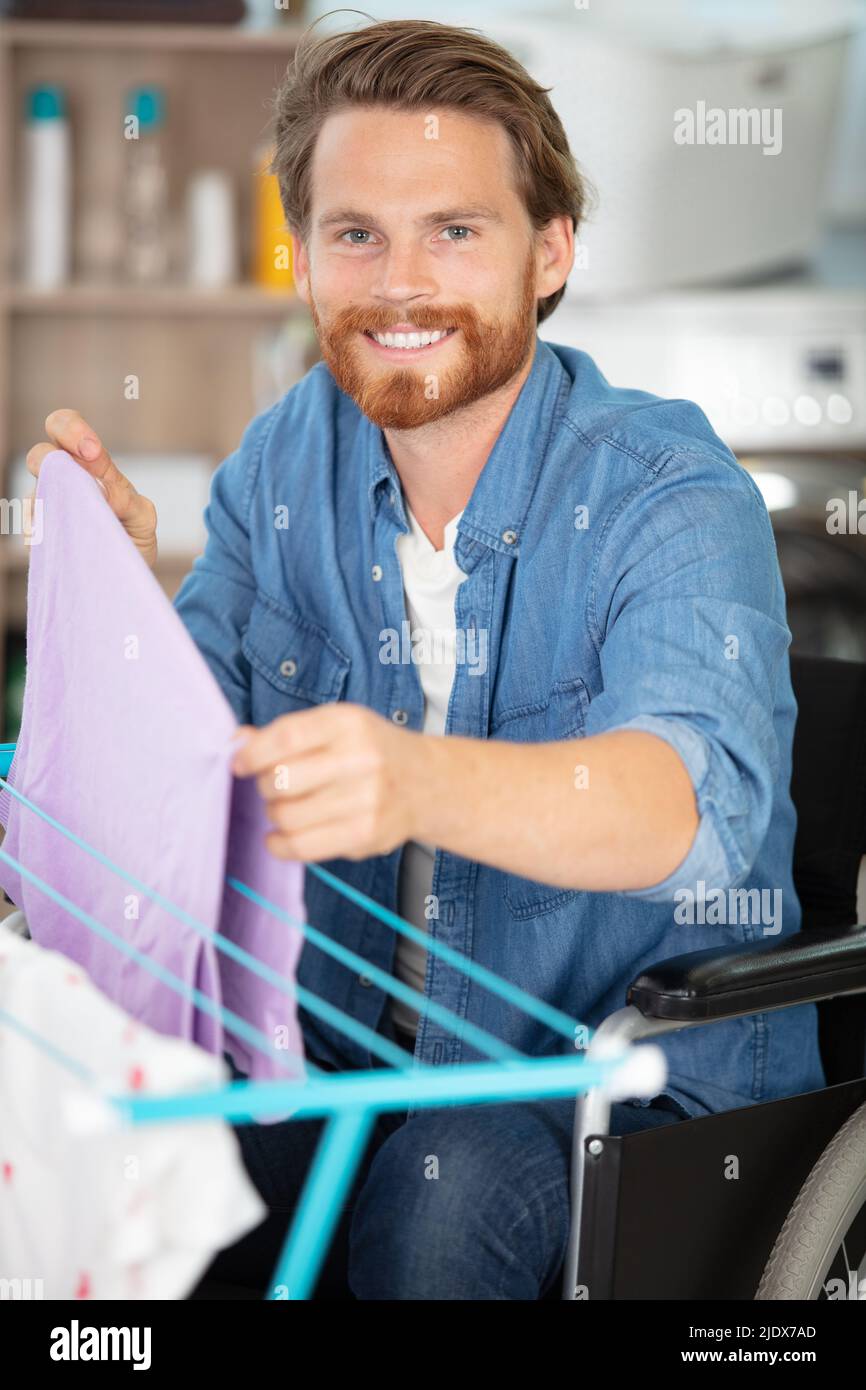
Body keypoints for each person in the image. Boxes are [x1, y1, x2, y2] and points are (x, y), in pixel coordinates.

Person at [26, 19, 825, 1300]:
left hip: (618, 1094)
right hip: (342, 1048)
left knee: (438, 1197)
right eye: (355, 234)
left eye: (454, 230)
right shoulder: (289, 461)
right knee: (134, 1160)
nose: (400, 284)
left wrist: (413, 779)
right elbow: (177, 773)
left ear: (549, 251)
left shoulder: (668, 491)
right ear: (304, 262)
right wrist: (114, 609)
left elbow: (685, 808)